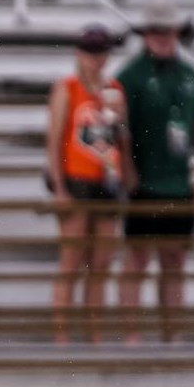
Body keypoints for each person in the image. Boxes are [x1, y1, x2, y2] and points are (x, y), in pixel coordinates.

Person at [118, 0, 194, 344]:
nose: (162, 37)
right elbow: (118, 128)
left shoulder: (189, 76)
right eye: (156, 31)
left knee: (174, 260)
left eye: (167, 31)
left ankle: (172, 334)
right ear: (146, 35)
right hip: (144, 183)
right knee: (138, 259)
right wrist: (127, 173)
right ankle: (132, 335)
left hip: (177, 184)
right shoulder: (130, 76)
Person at [43, 24, 133, 345]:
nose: (96, 59)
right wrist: (60, 187)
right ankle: (62, 337)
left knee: (101, 262)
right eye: (91, 52)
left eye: (101, 53)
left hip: (106, 181)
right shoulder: (67, 89)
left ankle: (94, 334)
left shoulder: (113, 91)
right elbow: (54, 141)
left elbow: (120, 139)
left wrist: (119, 117)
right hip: (77, 179)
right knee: (71, 261)